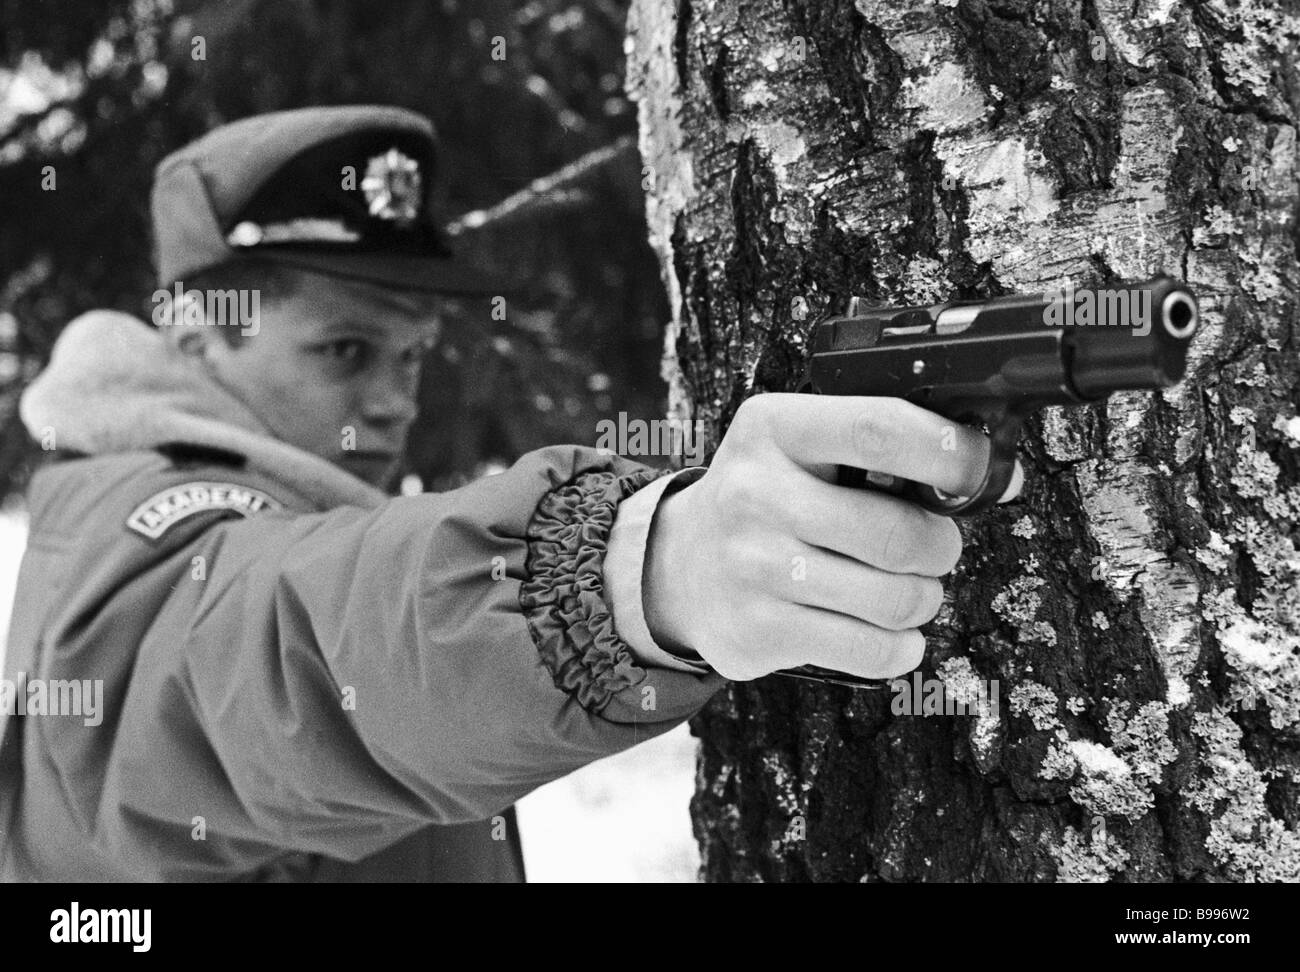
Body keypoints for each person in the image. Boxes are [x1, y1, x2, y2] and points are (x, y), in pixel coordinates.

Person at [0, 105, 1019, 882]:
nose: (393, 401)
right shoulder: (143, 528)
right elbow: (253, 665)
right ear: (194, 332)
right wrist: (618, 576)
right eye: (345, 350)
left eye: (411, 356)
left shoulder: (275, 507)